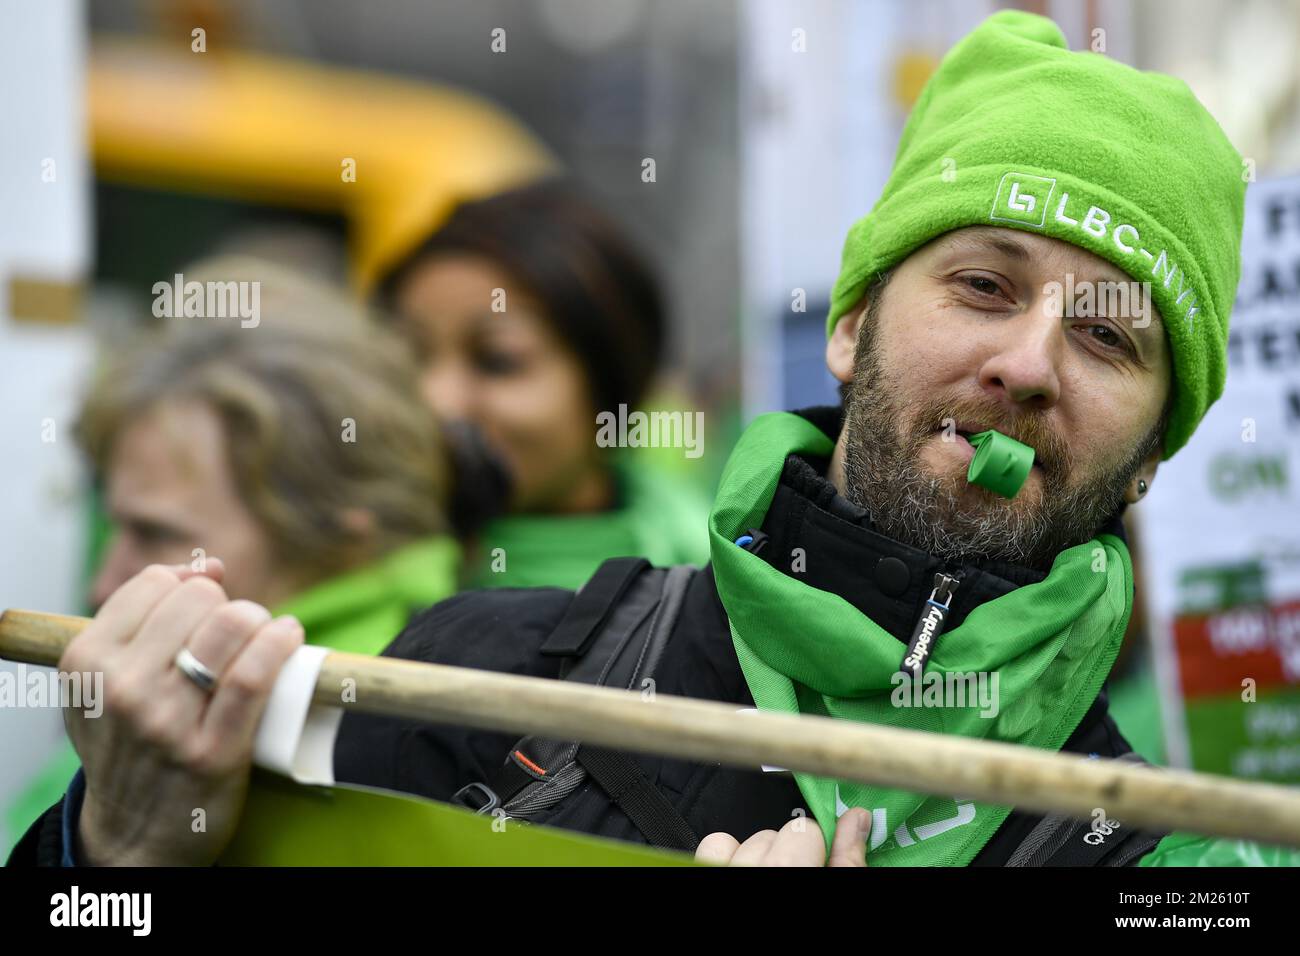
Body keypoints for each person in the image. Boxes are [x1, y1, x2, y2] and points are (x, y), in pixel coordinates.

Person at [7, 11, 1280, 867]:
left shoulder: (1181, 862)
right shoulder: (476, 676)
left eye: (1110, 339)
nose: (1026, 362)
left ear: (1156, 451)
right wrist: (112, 846)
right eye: (983, 285)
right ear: (849, 325)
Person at [375, 181, 711, 589]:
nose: (437, 400)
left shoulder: (721, 590)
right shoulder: (336, 563)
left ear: (612, 392)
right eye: (410, 356)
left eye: (498, 361)